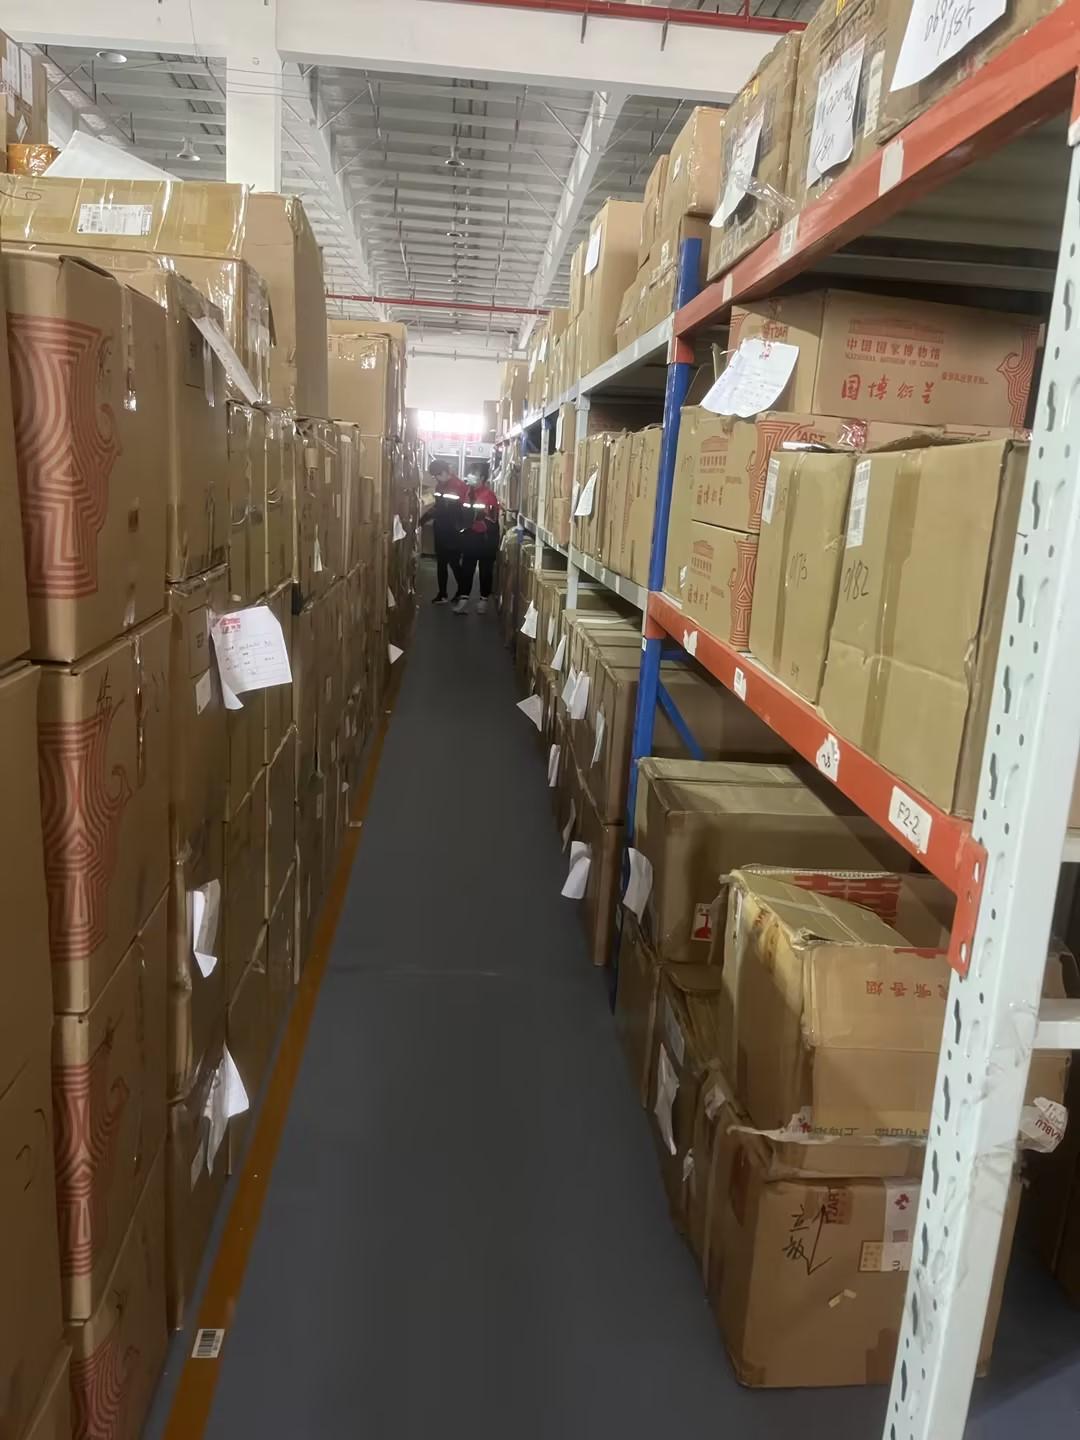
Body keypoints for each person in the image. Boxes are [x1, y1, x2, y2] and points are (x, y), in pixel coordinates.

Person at [453, 476, 500, 614]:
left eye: (476, 476)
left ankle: (483, 600)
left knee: (485, 570)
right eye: (471, 475)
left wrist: (481, 517)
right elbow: (461, 512)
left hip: (486, 538)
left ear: (482, 478)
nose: (472, 479)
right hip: (471, 536)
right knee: (467, 569)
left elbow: (493, 519)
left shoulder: (489, 495)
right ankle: (463, 599)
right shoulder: (468, 493)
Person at [424, 459, 466, 605]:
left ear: (443, 472)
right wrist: (424, 517)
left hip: (452, 531)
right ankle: (442, 594)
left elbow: (447, 510)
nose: (436, 478)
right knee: (441, 563)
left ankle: (462, 592)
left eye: (436, 475)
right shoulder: (440, 485)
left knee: (454, 563)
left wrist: (426, 517)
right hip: (441, 529)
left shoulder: (457, 486)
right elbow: (437, 506)